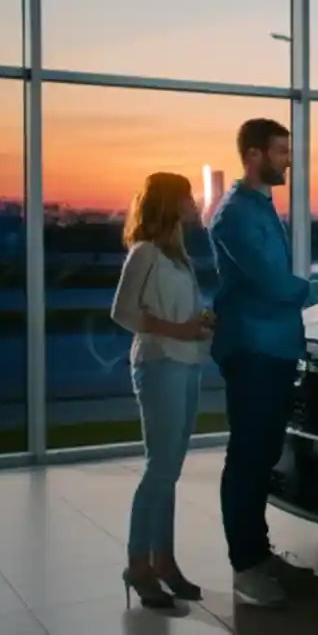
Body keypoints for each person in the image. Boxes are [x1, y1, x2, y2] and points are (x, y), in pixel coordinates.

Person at [207, 118, 318, 607]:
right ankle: (246, 566)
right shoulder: (234, 216)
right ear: (254, 155)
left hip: (276, 349)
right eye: (281, 151)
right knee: (247, 458)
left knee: (262, 456)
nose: (289, 159)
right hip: (254, 351)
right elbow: (271, 282)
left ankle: (259, 554)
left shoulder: (260, 208)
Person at [110, 172, 212, 609]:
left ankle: (164, 561)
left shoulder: (178, 256)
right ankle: (138, 565)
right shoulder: (145, 252)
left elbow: (176, 313)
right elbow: (123, 312)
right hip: (160, 364)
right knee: (160, 469)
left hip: (187, 365)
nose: (195, 202)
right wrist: (181, 328)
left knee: (169, 470)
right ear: (172, 203)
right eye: (188, 195)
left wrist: (200, 322)